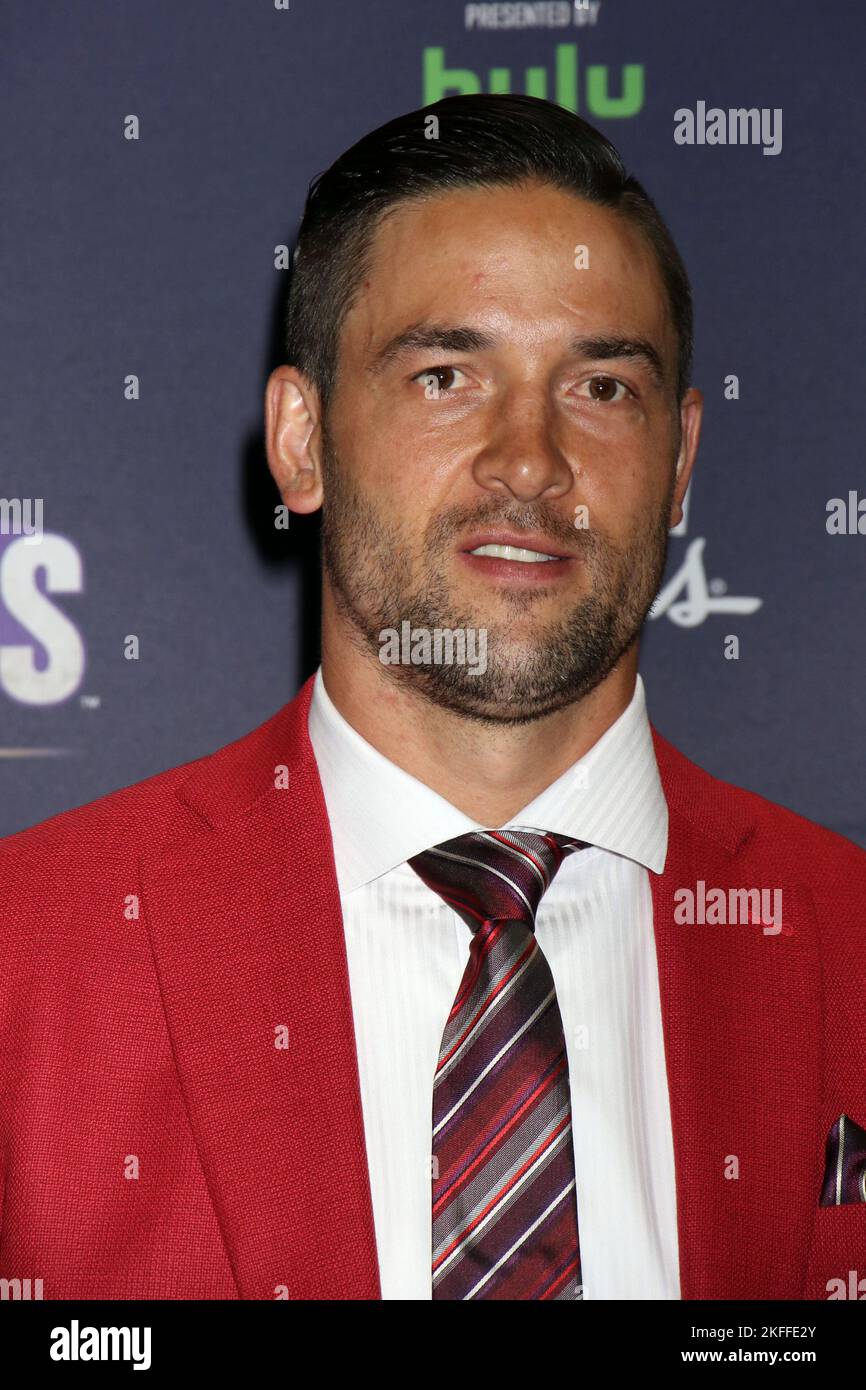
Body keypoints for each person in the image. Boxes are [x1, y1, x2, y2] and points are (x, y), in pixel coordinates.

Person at [1, 94, 864, 1302]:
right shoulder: (28, 957)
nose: (529, 460)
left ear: (679, 461)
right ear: (301, 441)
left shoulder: (845, 933)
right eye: (447, 374)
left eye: (600, 387)